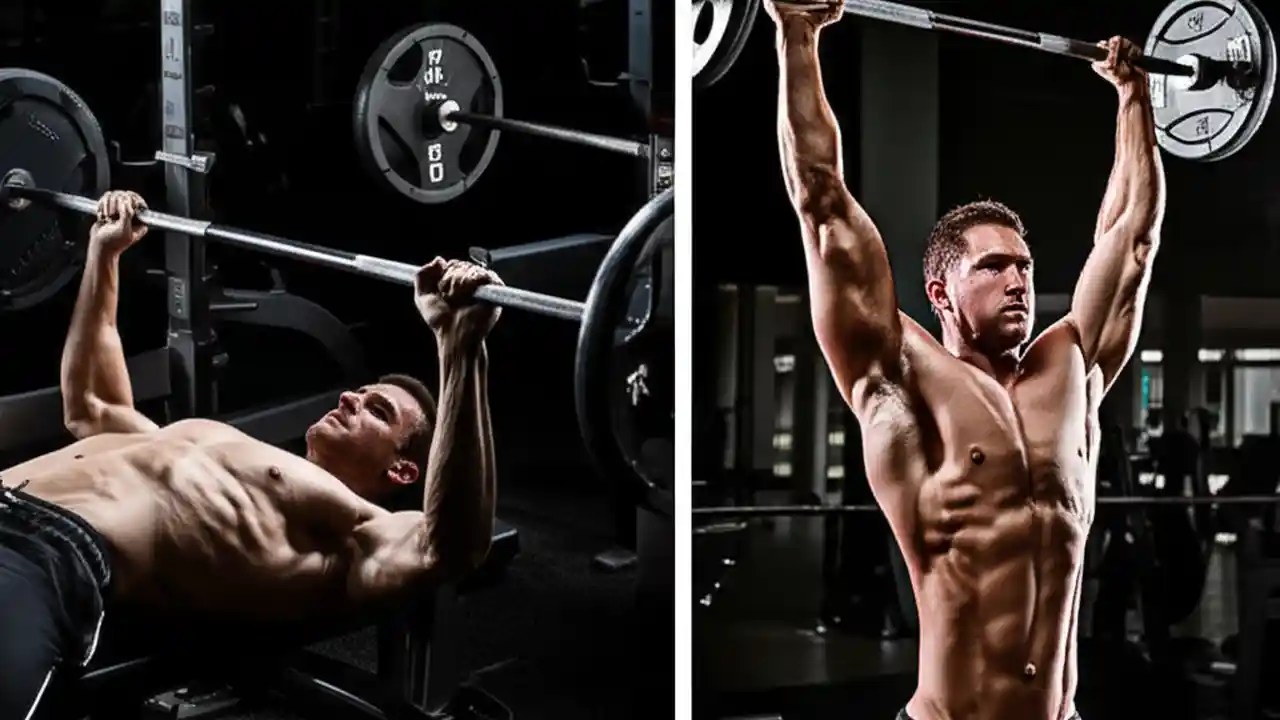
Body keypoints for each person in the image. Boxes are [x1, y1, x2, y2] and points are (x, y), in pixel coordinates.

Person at [766, 1, 1164, 718]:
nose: (1019, 281)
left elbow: (1131, 240)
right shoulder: (899, 376)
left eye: (1025, 266)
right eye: (993, 268)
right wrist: (797, 34)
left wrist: (1135, 99)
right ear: (941, 292)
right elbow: (822, 204)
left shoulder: (1072, 367)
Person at [0, 190, 500, 720]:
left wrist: (459, 346)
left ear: (401, 469)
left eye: (377, 410)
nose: (351, 397)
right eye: (358, 393)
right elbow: (93, 406)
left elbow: (448, 548)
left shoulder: (353, 533)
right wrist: (105, 254)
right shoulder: (213, 444)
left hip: (42, 554)